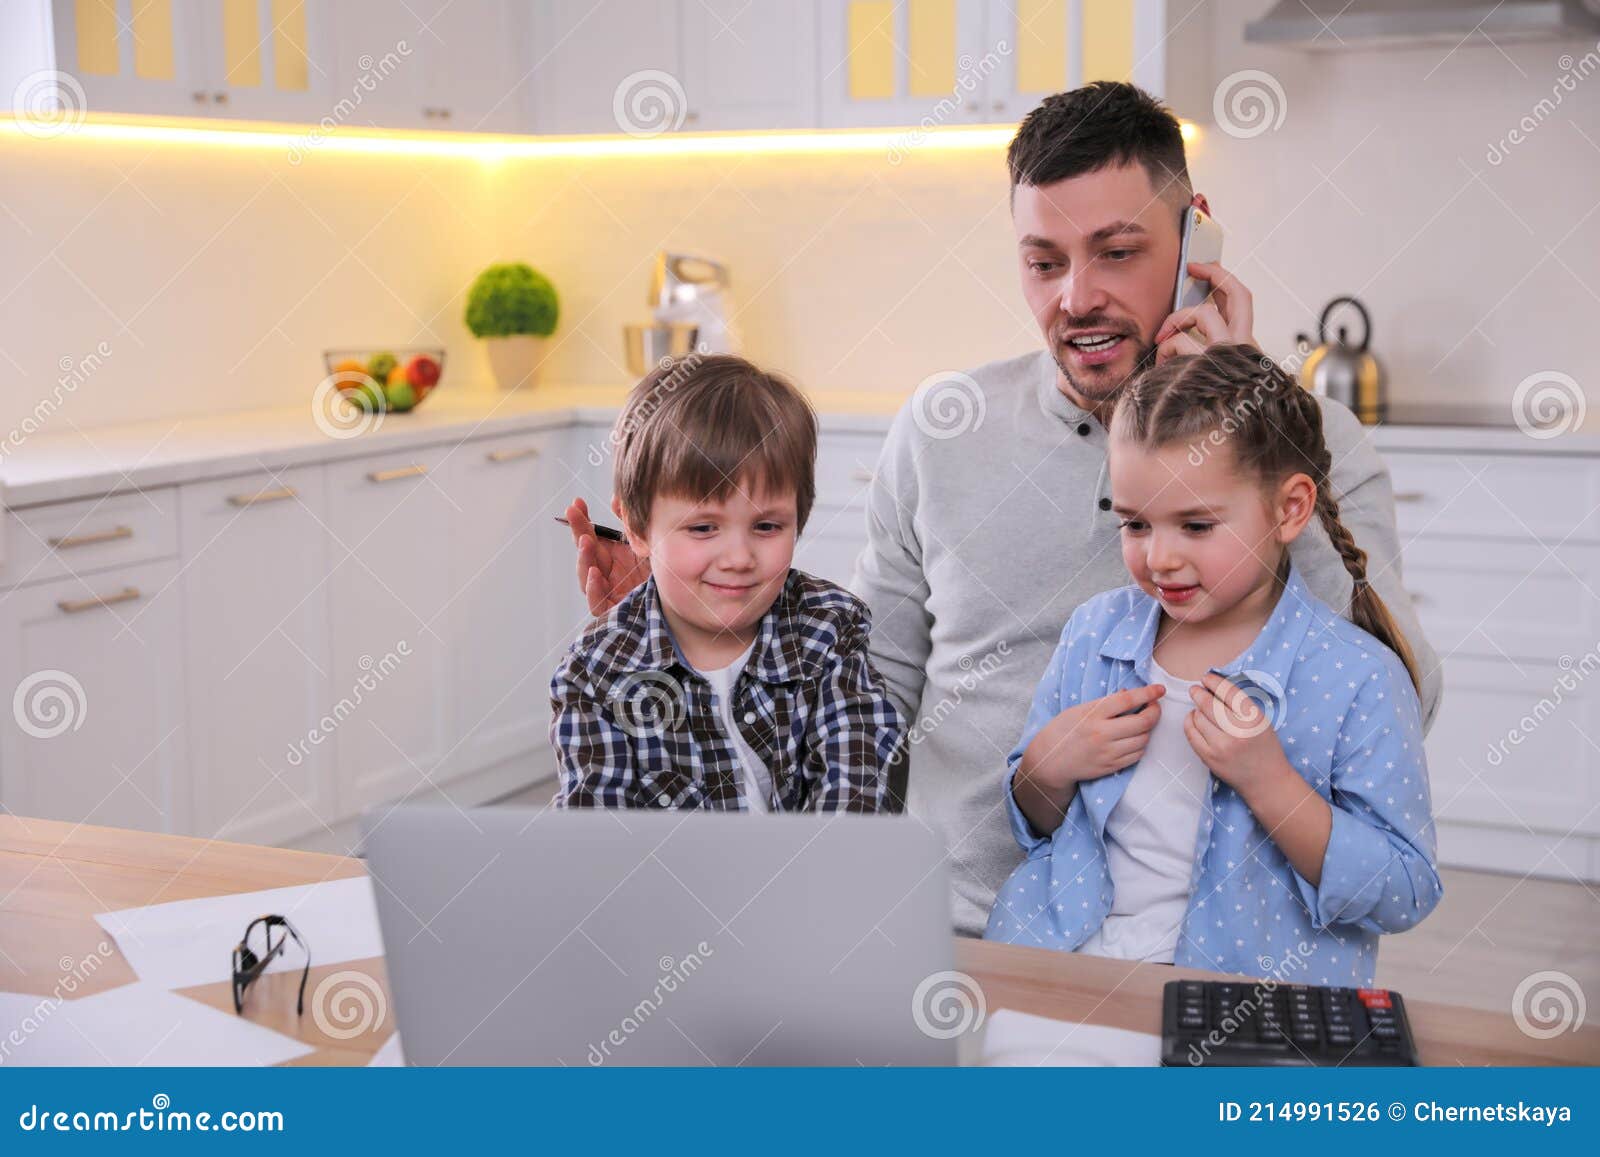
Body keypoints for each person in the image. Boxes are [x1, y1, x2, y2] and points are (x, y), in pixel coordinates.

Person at [566, 82, 1441, 933]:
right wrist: (684, 630)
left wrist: (1248, 427)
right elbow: (869, 697)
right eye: (1044, 261)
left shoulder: (1315, 443)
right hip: (959, 925)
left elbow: (1400, 702)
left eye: (1119, 251)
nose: (1076, 296)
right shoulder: (943, 430)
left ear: (1195, 236)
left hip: (1211, 947)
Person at [985, 345, 1440, 985]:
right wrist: (1046, 766)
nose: (1160, 558)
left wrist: (1272, 785)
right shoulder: (1094, 634)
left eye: (1196, 526)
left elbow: (1403, 891)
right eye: (1136, 525)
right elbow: (1033, 819)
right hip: (1059, 966)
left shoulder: (1359, 678)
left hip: (1240, 1006)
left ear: (1289, 509)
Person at [550, 354, 902, 812]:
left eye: (767, 527)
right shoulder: (595, 672)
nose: (739, 559)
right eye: (703, 528)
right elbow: (595, 839)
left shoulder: (829, 630)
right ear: (635, 529)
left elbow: (856, 792)